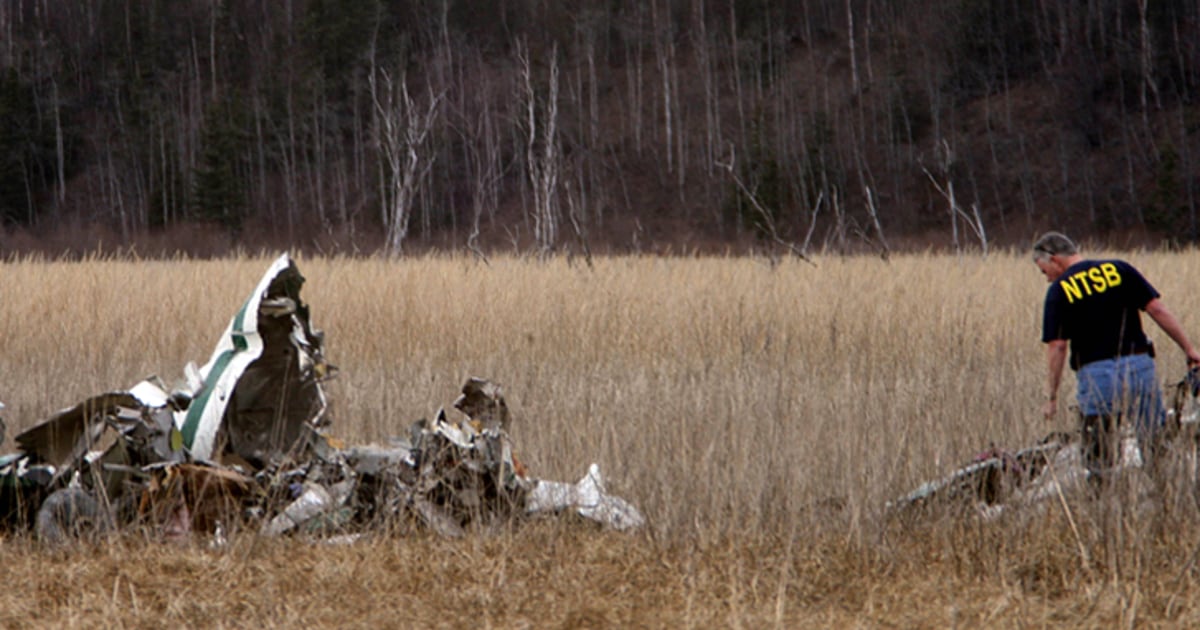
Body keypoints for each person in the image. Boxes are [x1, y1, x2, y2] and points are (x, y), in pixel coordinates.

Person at [1033, 231, 1200, 484]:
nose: (1047, 278)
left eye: (1044, 271)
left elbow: (1057, 347)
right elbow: (1157, 309)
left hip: (1097, 376)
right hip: (1140, 367)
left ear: (1054, 259)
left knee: (1100, 456)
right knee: (1156, 444)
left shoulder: (1060, 290)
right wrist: (1189, 348)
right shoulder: (1119, 269)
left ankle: (1106, 506)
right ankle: (1164, 497)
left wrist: (1052, 396)